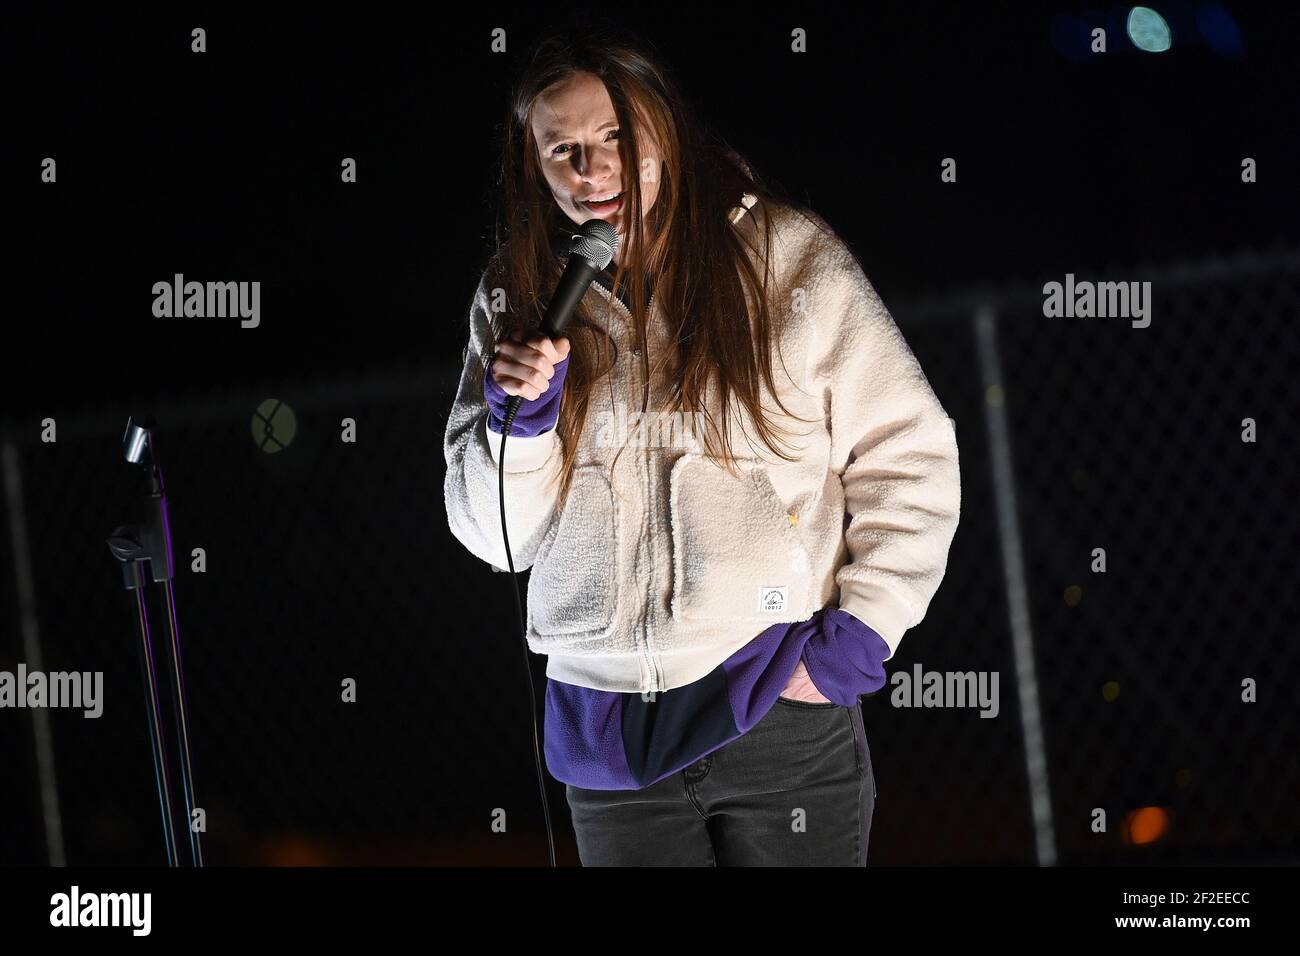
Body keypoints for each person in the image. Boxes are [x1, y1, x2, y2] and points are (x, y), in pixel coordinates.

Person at [443, 27, 961, 866]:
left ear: (664, 129)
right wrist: (521, 424)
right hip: (606, 742)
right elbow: (494, 537)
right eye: (563, 150)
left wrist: (860, 636)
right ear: (533, 164)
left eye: (615, 136)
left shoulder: (782, 258)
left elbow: (912, 451)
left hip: (773, 707)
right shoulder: (519, 295)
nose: (592, 171)